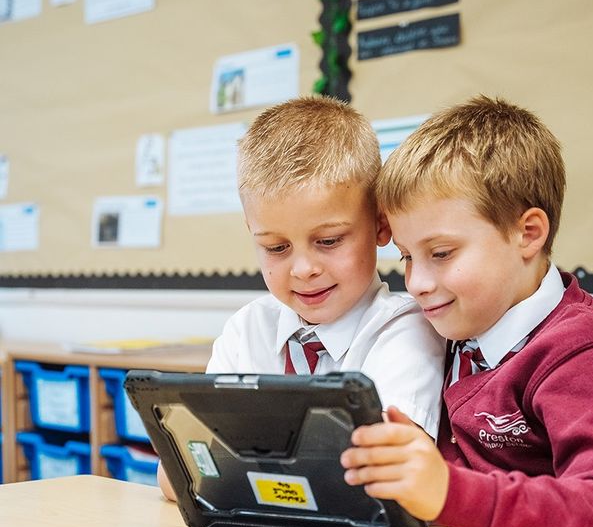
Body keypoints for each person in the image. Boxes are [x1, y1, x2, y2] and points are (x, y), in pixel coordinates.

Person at [340, 95, 593, 527]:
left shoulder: (588, 357)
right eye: (408, 258)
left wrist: (450, 493)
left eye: (442, 253)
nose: (417, 283)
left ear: (528, 234)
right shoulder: (456, 334)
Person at [158, 96, 445, 500]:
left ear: (381, 226)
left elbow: (379, 485)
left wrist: (243, 461)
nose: (303, 269)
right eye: (276, 247)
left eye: (328, 241)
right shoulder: (248, 329)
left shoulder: (406, 329)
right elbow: (178, 476)